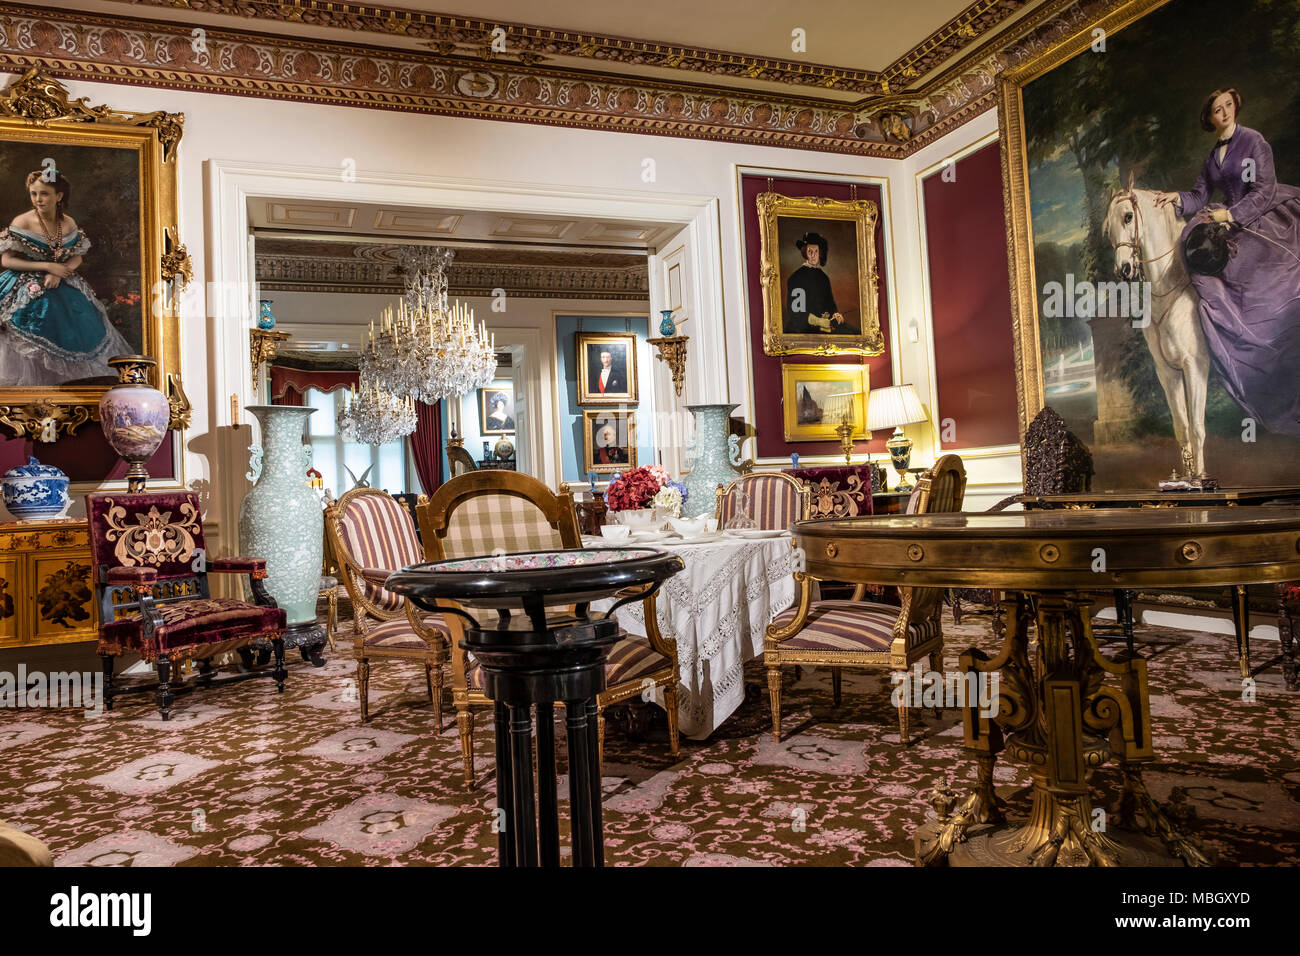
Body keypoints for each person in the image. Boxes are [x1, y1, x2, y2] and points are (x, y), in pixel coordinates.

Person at [1153, 88, 1300, 436]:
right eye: (1217, 111)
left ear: (1235, 106)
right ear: (1210, 119)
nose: (1225, 113)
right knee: (1195, 241)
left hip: (1260, 215)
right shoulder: (1212, 157)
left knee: (1270, 288)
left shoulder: (1254, 141)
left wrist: (1231, 216)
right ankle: (1228, 331)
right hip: (1225, 216)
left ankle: (1263, 339)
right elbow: (1200, 195)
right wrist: (1178, 197)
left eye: (1228, 106)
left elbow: (1264, 190)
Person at [0, 170, 130, 386]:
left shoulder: (68, 222)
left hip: (63, 281)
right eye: (33, 194)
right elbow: (7, 260)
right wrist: (48, 266)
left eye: (44, 194)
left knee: (80, 327)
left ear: (59, 196)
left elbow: (77, 256)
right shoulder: (22, 221)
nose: (38, 200)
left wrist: (61, 271)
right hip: (25, 282)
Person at [784, 232, 847, 335]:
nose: (813, 255)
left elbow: (830, 303)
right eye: (810, 252)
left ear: (820, 253)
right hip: (802, 331)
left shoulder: (824, 278)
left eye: (816, 251)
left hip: (824, 329)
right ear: (805, 253)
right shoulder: (796, 277)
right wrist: (818, 321)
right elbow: (796, 312)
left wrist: (835, 314)